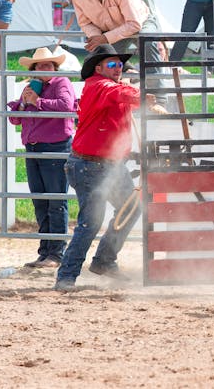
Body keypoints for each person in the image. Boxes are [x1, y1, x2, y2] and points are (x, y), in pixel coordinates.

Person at [54, 44, 157, 291]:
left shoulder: (112, 89)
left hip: (109, 164)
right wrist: (140, 96)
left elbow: (116, 117)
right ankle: (67, 276)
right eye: (112, 64)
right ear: (98, 68)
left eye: (120, 65)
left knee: (130, 209)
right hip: (89, 166)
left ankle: (103, 260)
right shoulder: (98, 86)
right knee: (91, 221)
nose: (118, 68)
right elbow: (119, 93)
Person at [69, 0, 167, 108]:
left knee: (147, 42)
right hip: (112, 31)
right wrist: (97, 40)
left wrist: (104, 39)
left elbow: (134, 24)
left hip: (141, 21)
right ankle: (113, 96)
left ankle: (160, 99)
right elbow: (85, 23)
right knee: (102, 54)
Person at [8, 47, 77, 268]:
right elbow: (16, 120)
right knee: (40, 200)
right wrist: (22, 104)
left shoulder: (61, 83)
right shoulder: (32, 87)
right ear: (35, 69)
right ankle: (46, 251)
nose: (44, 68)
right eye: (39, 66)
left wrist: (37, 101)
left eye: (48, 65)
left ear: (54, 67)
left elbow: (66, 107)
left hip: (55, 147)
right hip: (34, 148)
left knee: (55, 200)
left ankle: (56, 253)